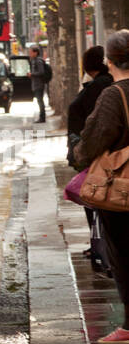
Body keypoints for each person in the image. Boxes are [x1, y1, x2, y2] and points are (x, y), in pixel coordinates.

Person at [71, 29, 129, 344]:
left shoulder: (114, 94)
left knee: (122, 253)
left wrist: (79, 155)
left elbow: (95, 137)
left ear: (109, 60)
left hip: (121, 189)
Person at [66, 46, 113, 271]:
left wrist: (83, 151)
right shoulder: (102, 84)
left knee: (94, 200)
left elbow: (93, 121)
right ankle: (98, 246)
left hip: (95, 154)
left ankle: (101, 247)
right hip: (91, 151)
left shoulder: (101, 86)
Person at [28, 44, 47, 123]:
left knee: (40, 101)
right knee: (39, 101)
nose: (30, 54)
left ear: (35, 53)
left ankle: (42, 118)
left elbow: (41, 72)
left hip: (39, 84)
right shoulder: (33, 60)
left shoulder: (38, 61)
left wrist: (32, 74)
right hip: (36, 84)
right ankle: (41, 117)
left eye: (31, 52)